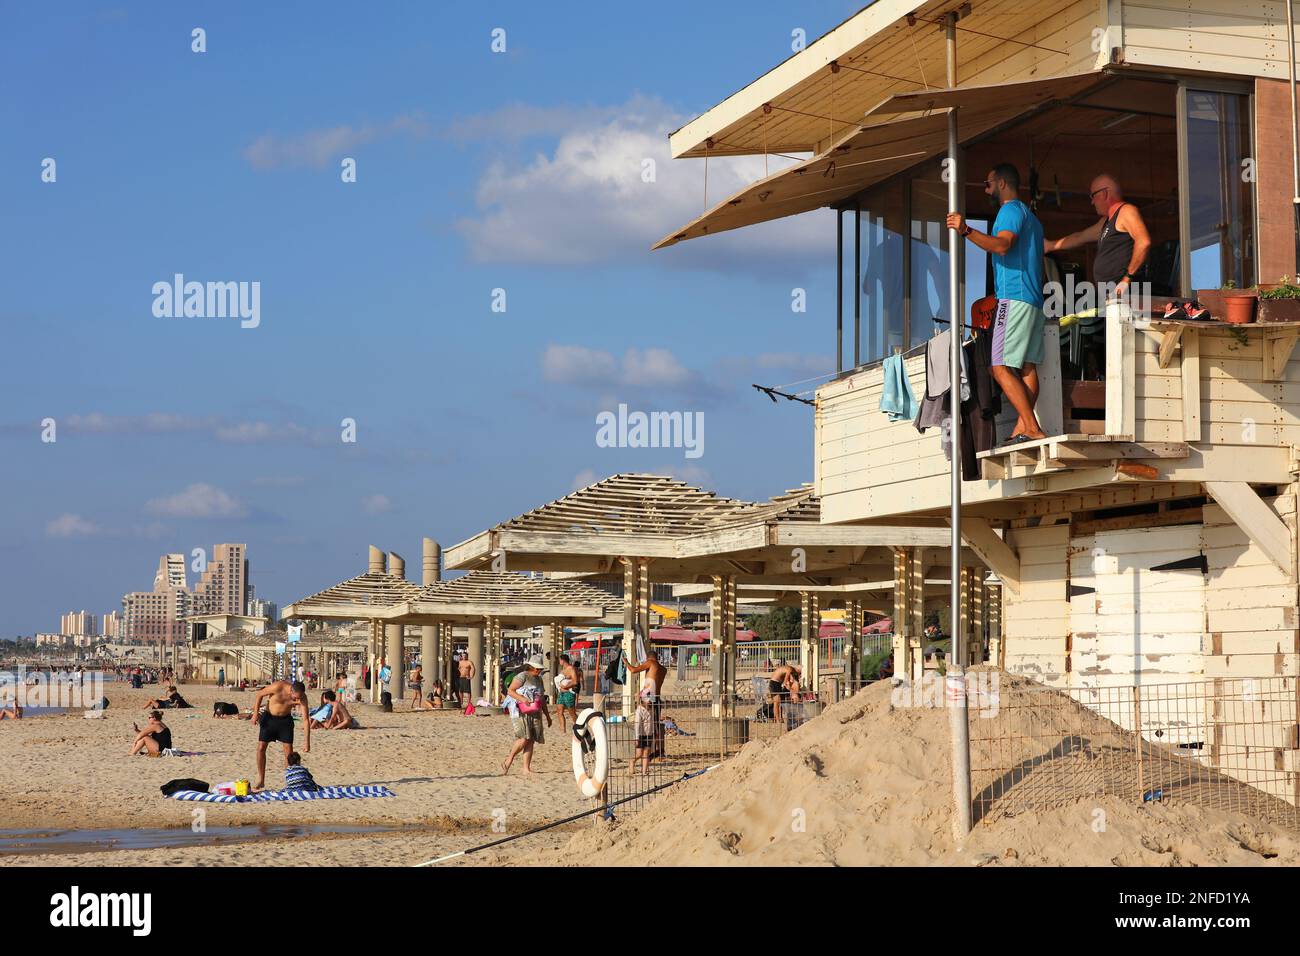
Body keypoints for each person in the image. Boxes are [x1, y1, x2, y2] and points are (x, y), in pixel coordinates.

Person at [947, 163, 1047, 444]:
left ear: (1002, 183)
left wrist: (965, 229)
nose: (986, 189)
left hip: (1013, 298)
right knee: (1026, 367)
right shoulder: (1031, 217)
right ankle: (1022, 428)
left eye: (988, 183)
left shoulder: (1010, 211)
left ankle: (1032, 427)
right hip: (1033, 300)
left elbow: (1003, 245)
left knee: (998, 366)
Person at [1044, 173, 1151, 301]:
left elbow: (1144, 242)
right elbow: (1079, 237)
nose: (1092, 201)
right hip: (1114, 295)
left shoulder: (1126, 211)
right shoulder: (1105, 222)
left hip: (1127, 294)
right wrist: (1050, 245)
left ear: (1104, 194)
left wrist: (1126, 280)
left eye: (1093, 196)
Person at [250, 680, 310, 790]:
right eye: (295, 698)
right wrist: (255, 715)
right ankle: (261, 780)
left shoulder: (302, 697)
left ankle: (290, 781)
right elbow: (259, 695)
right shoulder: (278, 687)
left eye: (299, 697)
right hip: (269, 718)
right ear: (291, 690)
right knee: (261, 748)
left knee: (288, 752)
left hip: (285, 721)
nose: (297, 700)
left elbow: (306, 720)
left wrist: (307, 742)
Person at [500, 654, 551, 776]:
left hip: (535, 711)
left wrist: (547, 716)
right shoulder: (522, 676)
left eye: (540, 669)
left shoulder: (539, 679)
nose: (539, 671)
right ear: (531, 667)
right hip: (520, 711)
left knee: (531, 740)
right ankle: (509, 759)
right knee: (523, 739)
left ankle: (526, 768)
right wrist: (522, 699)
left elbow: (542, 699)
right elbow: (510, 691)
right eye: (537, 669)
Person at [554, 654, 582, 733]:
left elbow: (575, 681)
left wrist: (565, 687)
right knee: (559, 711)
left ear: (563, 660)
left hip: (568, 693)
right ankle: (563, 730)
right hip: (561, 694)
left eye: (560, 660)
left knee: (572, 713)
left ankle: (579, 727)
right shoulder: (563, 669)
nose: (559, 662)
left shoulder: (571, 668)